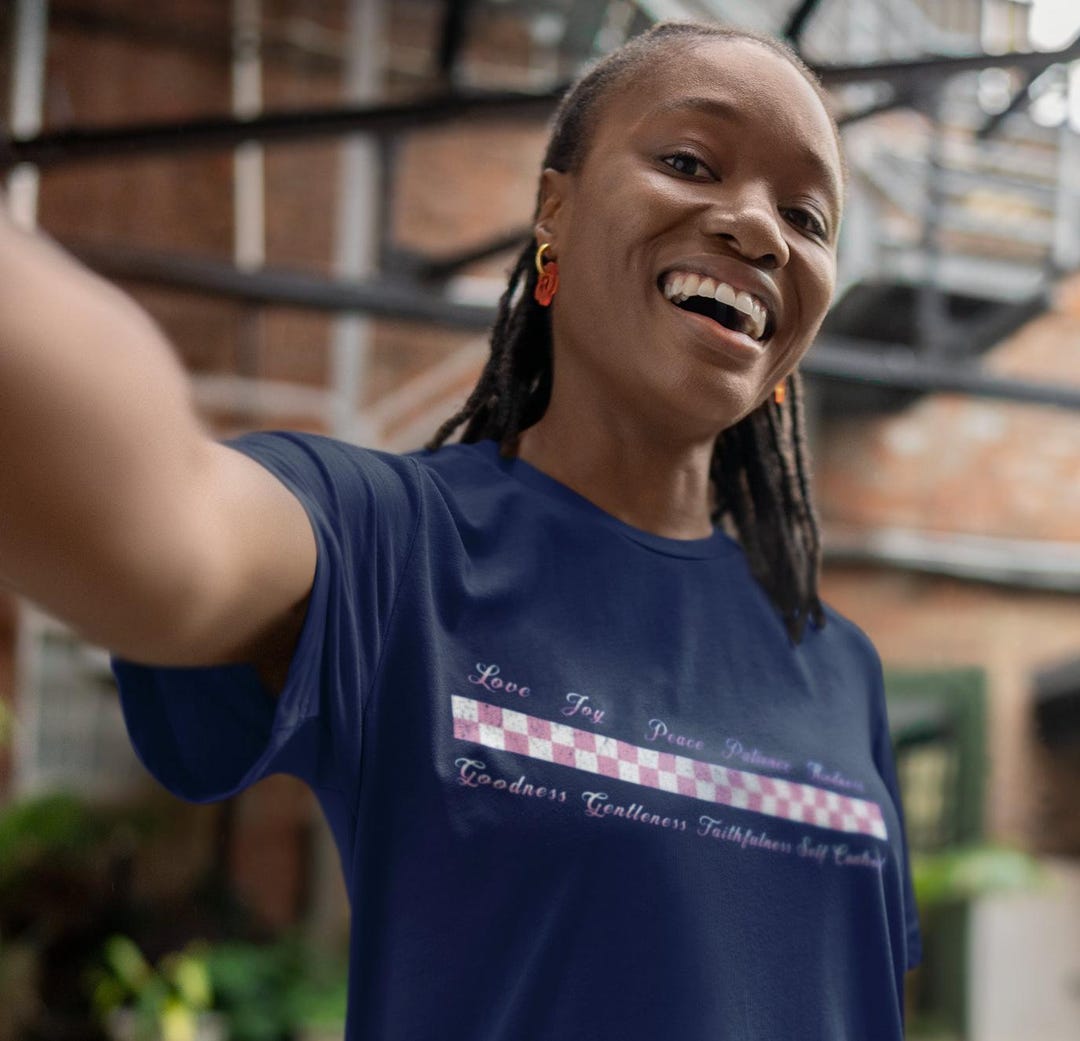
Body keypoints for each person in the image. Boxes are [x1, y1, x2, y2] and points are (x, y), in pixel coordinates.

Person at [0, 20, 921, 1041]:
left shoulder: (842, 670)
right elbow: (159, 529)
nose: (758, 230)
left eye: (808, 216)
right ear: (553, 213)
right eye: (688, 161)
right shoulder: (391, 543)